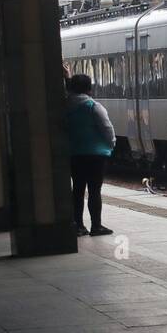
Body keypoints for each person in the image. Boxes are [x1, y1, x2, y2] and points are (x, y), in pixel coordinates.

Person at [65, 73, 116, 236]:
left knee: (78, 190)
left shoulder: (64, 106)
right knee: (94, 190)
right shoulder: (93, 106)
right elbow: (107, 129)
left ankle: (78, 226)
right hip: (96, 155)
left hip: (74, 153)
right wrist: (111, 144)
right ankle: (96, 226)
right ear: (89, 89)